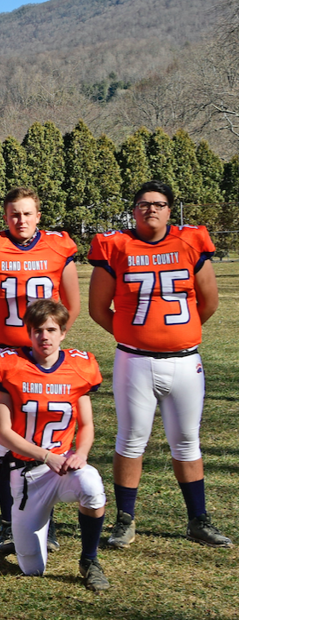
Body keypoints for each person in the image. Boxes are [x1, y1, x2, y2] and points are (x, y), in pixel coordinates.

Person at [88, 181, 230, 549]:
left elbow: (209, 302)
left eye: (159, 203)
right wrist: (134, 334)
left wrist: (179, 334)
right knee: (131, 440)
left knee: (187, 442)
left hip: (185, 361)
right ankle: (125, 520)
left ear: (170, 209)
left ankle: (198, 519)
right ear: (133, 210)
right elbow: (98, 309)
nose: (151, 209)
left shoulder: (190, 241)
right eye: (143, 204)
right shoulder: (115, 245)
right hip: (135, 360)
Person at [0, 187, 80, 554]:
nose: (21, 221)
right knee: (6, 444)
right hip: (5, 356)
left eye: (27, 214)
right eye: (14, 214)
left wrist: (48, 345)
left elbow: (71, 308)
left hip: (44, 358)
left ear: (38, 216)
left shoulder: (60, 246)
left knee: (47, 439)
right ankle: (8, 523)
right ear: (5, 216)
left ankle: (46, 521)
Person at [0, 300, 108, 591]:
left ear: (63, 332)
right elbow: (2, 432)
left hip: (63, 467)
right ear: (28, 332)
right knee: (32, 568)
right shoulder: (8, 364)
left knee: (91, 484)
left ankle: (90, 560)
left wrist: (81, 453)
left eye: (52, 329)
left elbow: (87, 424)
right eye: (38, 330)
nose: (45, 336)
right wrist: (45, 455)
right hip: (27, 474)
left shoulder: (79, 367)